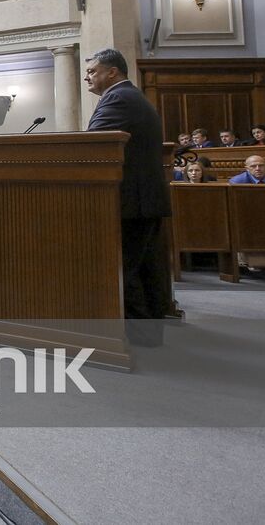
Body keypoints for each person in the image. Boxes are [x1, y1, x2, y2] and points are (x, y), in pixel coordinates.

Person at [84, 48, 171, 337]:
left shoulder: (119, 97)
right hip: (141, 198)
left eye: (92, 71)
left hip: (131, 200)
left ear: (112, 72)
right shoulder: (129, 95)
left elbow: (94, 144)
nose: (88, 77)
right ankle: (149, 331)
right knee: (142, 268)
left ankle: (138, 335)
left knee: (125, 267)